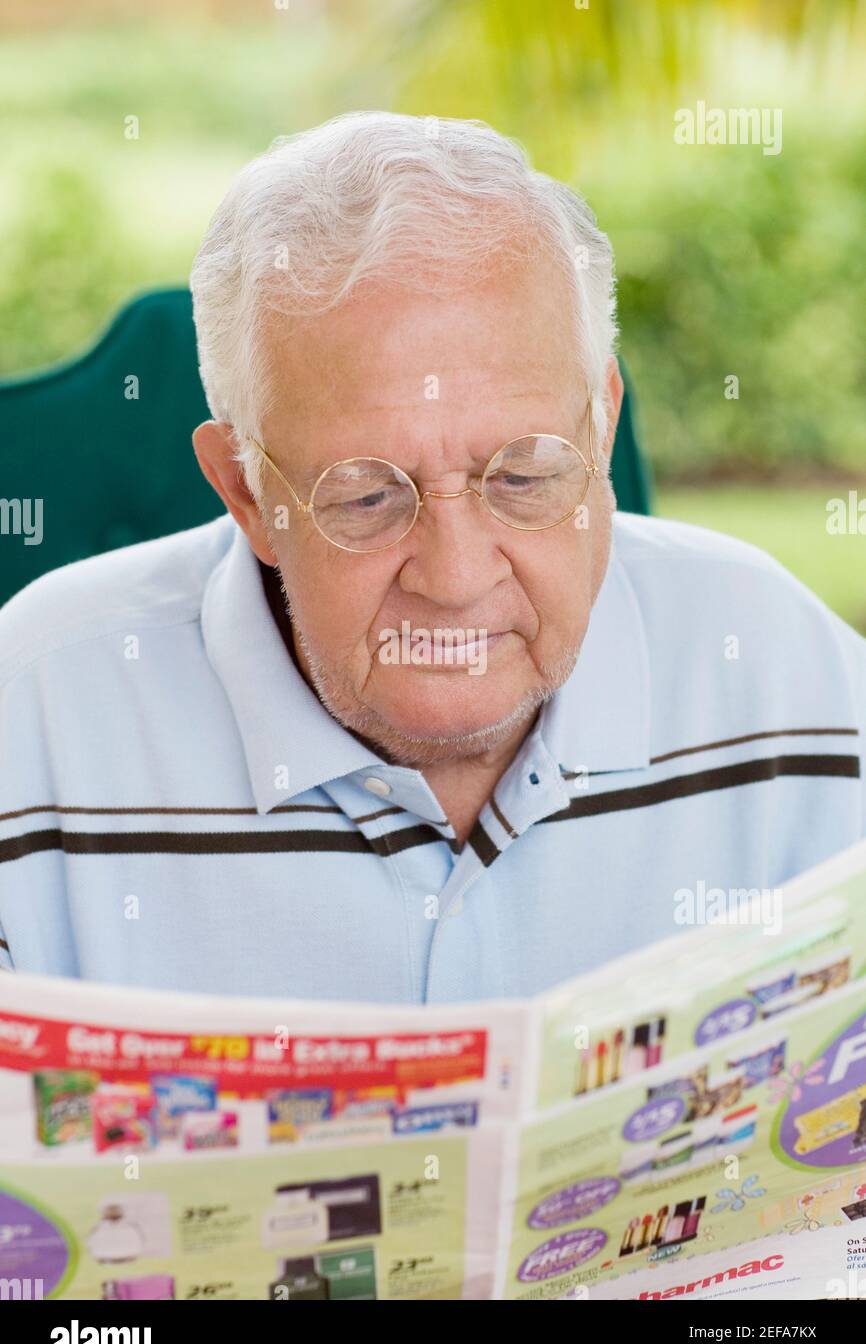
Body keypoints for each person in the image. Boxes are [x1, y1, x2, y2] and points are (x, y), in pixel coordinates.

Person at [0, 112, 863, 1000]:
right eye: (367, 498)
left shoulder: (785, 668)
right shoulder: (30, 715)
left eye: (524, 476)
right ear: (247, 492)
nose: (455, 580)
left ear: (600, 430)